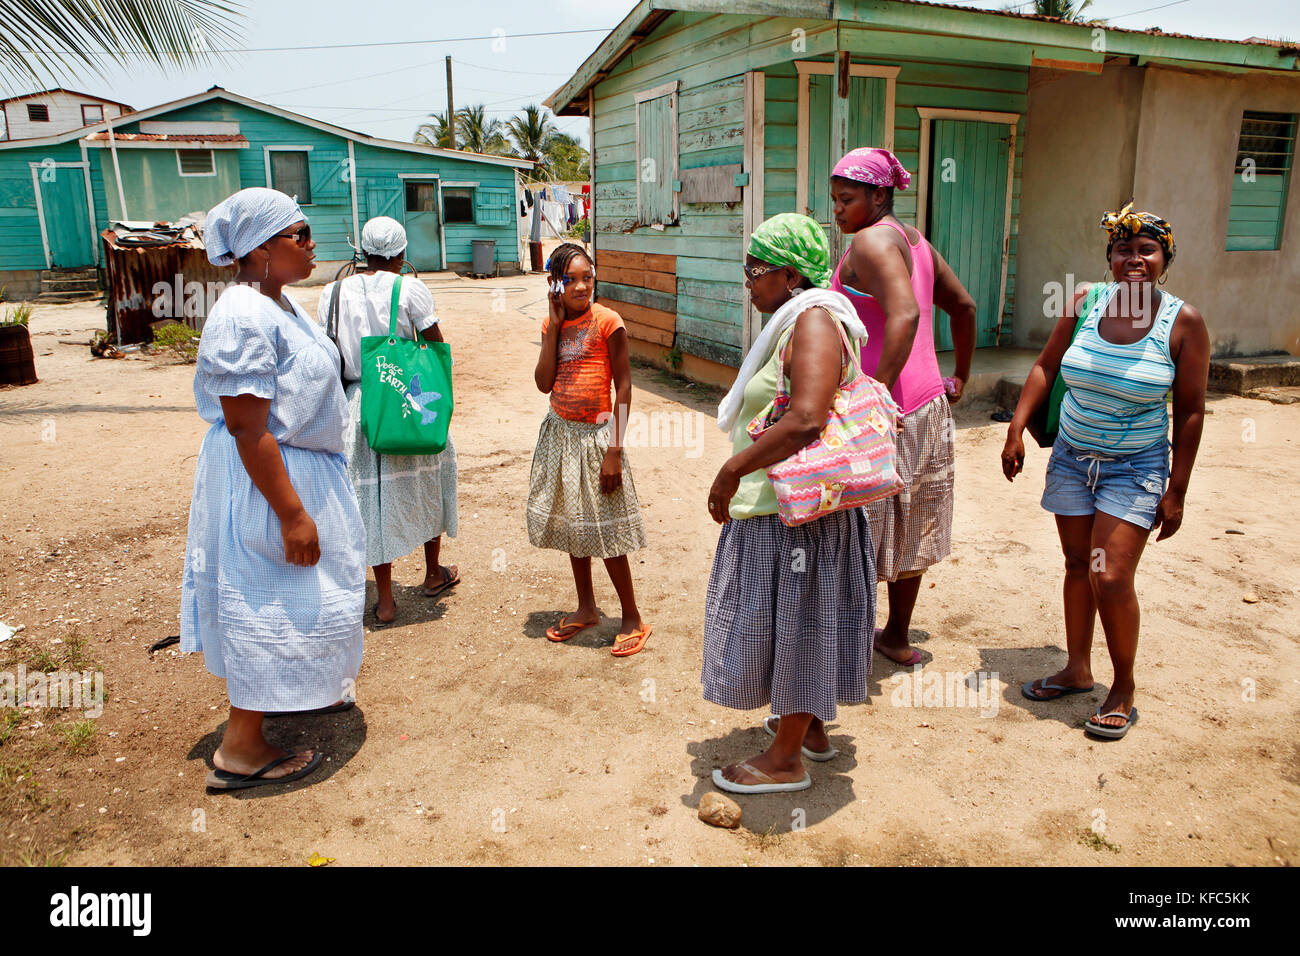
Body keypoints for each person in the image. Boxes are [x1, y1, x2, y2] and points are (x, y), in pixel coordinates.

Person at [1002, 203, 1209, 739]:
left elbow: (1189, 411)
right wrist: (1016, 428)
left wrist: (1177, 490)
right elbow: (1047, 365)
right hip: (1072, 456)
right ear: (1109, 257)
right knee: (1076, 564)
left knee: (1110, 577)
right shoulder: (1086, 302)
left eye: (1147, 249)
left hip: (1134, 467)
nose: (1134, 258)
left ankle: (1122, 687)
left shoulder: (1182, 322)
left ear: (1165, 259)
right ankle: (1077, 669)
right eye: (1123, 248)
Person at [181, 187, 365, 791]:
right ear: (259, 248)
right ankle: (241, 747)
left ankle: (301, 689)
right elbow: (244, 425)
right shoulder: (242, 314)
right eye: (299, 234)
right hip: (268, 484)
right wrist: (291, 513)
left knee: (309, 594)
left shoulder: (280, 304)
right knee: (266, 602)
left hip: (300, 473)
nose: (313, 245)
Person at [703, 213, 876, 794]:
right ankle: (809, 729)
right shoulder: (797, 320)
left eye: (755, 271)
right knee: (797, 618)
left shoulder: (816, 323)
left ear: (790, 274)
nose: (748, 282)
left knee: (796, 621)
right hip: (791, 506)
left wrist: (731, 471)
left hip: (796, 512)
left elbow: (806, 417)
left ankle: (784, 761)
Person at [829, 147, 977, 667]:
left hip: (884, 409)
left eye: (847, 199)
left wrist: (876, 392)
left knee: (856, 526)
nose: (838, 211)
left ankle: (846, 646)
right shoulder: (914, 240)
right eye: (834, 200)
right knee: (911, 520)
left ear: (878, 195)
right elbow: (963, 305)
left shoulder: (870, 242)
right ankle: (895, 635)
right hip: (928, 405)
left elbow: (906, 314)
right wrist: (960, 373)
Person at [317, 216, 459, 627]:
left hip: (358, 403)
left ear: (362, 250)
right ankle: (433, 573)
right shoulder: (409, 287)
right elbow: (435, 344)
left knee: (370, 500)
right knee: (429, 478)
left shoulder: (332, 291)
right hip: (404, 399)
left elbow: (326, 351)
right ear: (400, 254)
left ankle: (384, 600)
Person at [528, 242, 651, 657]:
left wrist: (614, 449)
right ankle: (586, 607)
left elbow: (626, 386)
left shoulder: (608, 322)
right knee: (572, 524)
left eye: (588, 278)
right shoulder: (553, 326)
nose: (582, 286)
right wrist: (553, 323)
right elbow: (544, 383)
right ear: (554, 285)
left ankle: (631, 616)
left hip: (598, 439)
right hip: (560, 435)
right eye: (571, 279)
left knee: (607, 528)